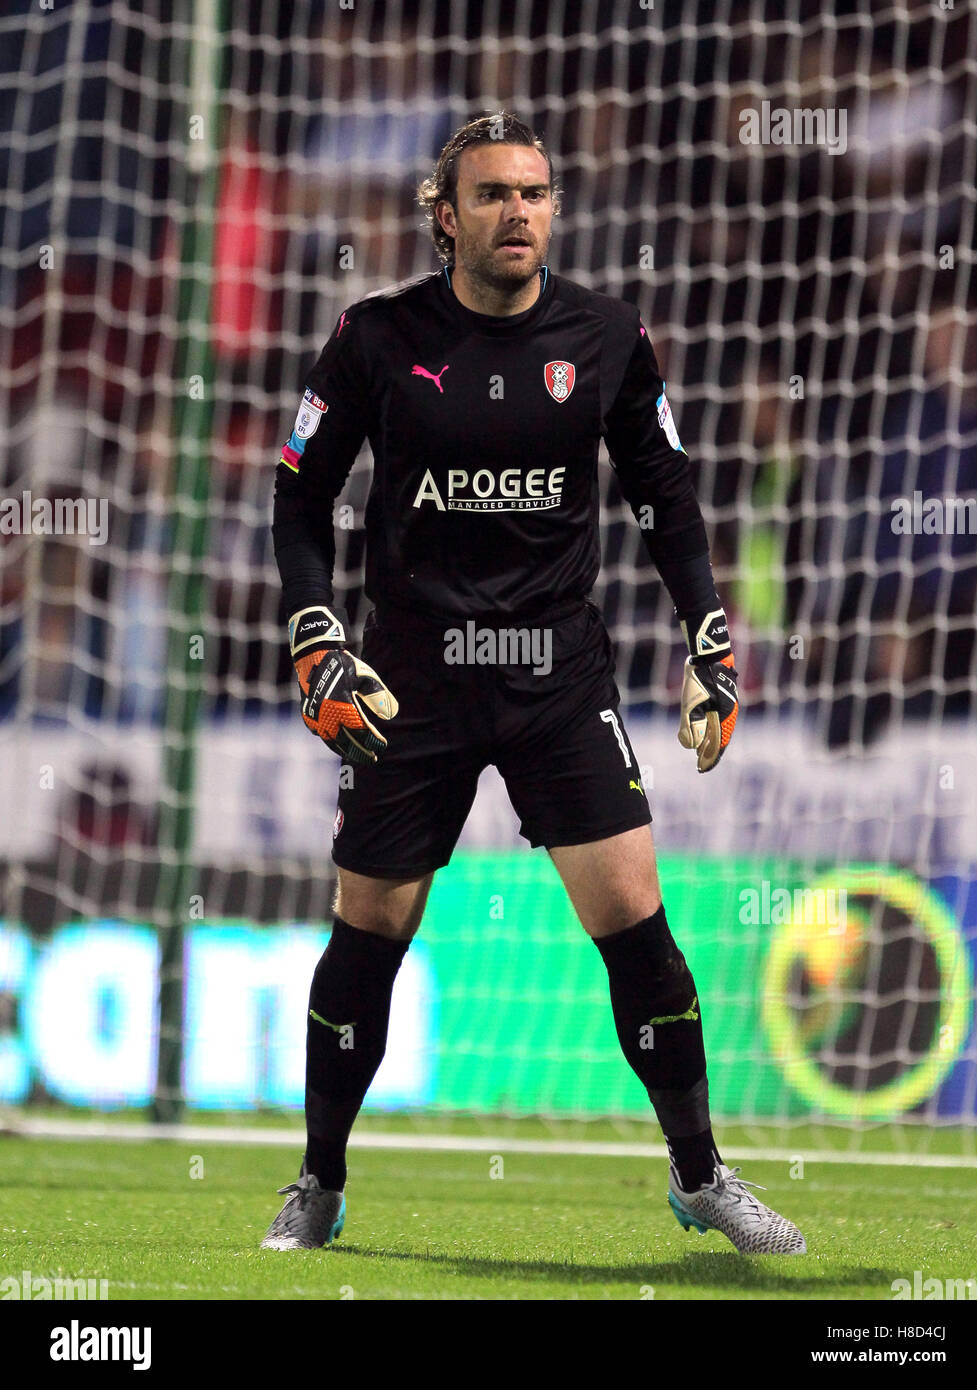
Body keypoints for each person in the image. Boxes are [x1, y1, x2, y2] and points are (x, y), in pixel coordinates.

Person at [264, 114, 805, 1256]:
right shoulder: (374, 337)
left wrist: (709, 635)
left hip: (559, 675)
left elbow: (665, 495)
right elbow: (299, 497)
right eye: (497, 194)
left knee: (641, 932)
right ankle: (316, 1183)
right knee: (368, 939)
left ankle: (701, 1174)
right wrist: (316, 631)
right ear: (445, 214)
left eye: (539, 193)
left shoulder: (606, 337)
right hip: (411, 680)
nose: (522, 212)